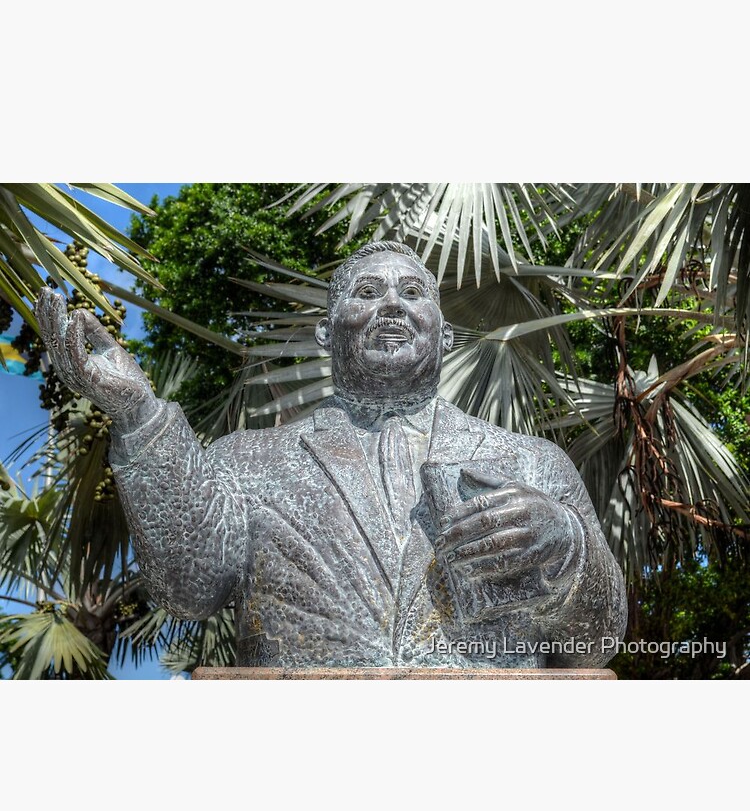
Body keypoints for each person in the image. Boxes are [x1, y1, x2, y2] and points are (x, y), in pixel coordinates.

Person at [36, 240, 626, 669]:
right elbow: (187, 589)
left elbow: (599, 640)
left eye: (413, 292)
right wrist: (141, 415)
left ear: (445, 335)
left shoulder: (533, 464)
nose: (391, 305)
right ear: (327, 332)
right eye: (367, 293)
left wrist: (566, 548)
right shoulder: (248, 461)